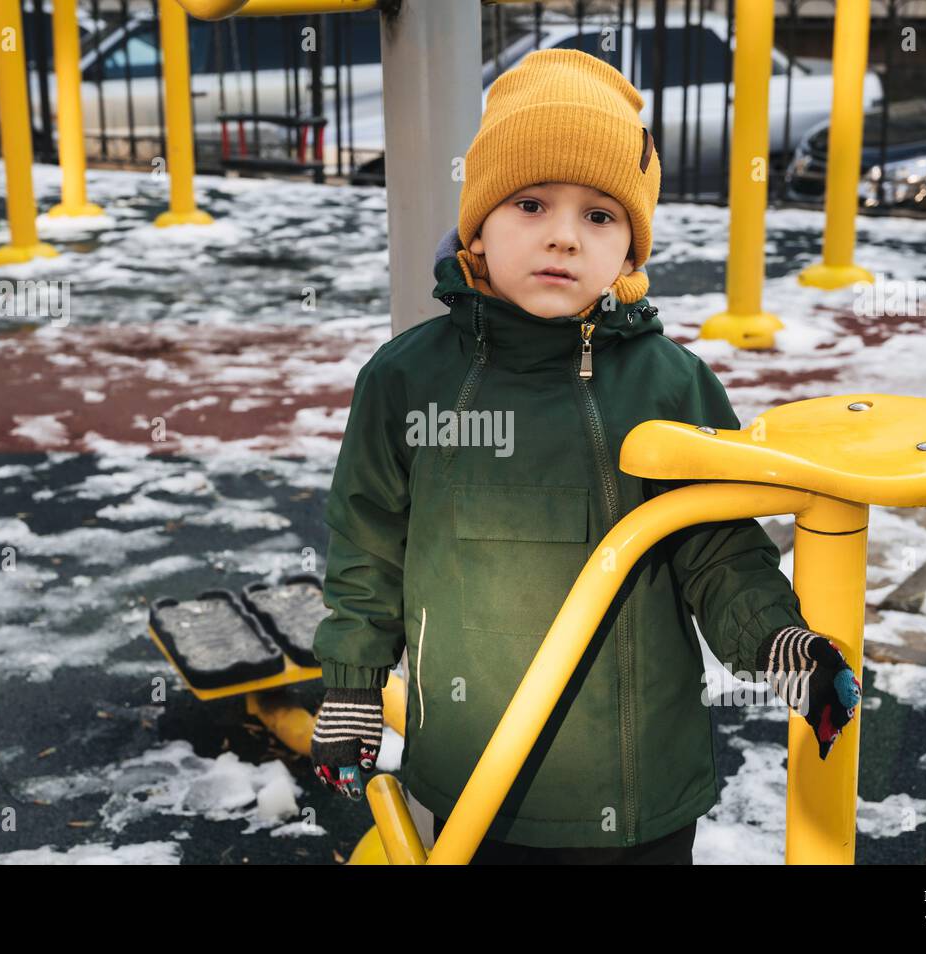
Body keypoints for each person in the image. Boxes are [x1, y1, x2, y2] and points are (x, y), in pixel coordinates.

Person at [308, 49, 861, 864]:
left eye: (601, 216)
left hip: (639, 783)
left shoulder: (672, 384)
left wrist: (777, 643)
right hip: (479, 779)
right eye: (530, 204)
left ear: (630, 252)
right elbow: (368, 545)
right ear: (479, 223)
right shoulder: (407, 380)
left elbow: (718, 551)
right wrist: (352, 688)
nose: (564, 237)